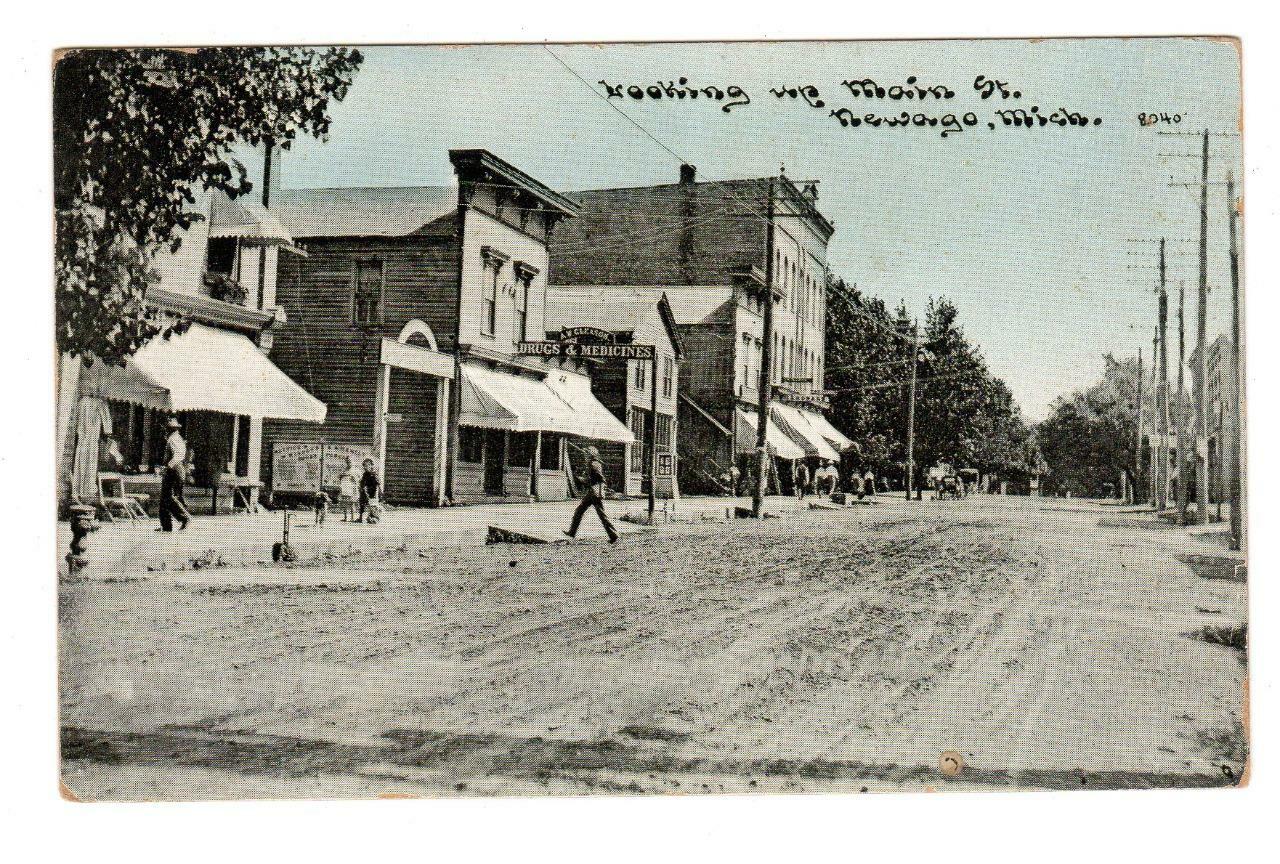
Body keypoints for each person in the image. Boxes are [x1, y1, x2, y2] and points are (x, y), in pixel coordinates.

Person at [564, 445, 619, 543]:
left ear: (591, 454)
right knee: (580, 511)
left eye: (587, 453)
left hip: (595, 493)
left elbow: (599, 479)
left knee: (600, 515)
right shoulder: (592, 463)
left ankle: (614, 535)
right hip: (593, 492)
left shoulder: (593, 464)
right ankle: (572, 533)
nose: (585, 455)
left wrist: (583, 479)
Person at [158, 417, 190, 531]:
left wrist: (168, 467)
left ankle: (183, 517)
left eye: (167, 428)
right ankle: (166, 525)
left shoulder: (174, 439)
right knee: (165, 498)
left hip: (174, 469)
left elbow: (178, 455)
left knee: (167, 497)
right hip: (174, 469)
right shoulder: (174, 438)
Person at [336, 457, 359, 522]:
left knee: (352, 503)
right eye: (347, 462)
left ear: (352, 462)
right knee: (345, 503)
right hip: (345, 488)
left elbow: (359, 478)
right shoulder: (344, 469)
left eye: (350, 461)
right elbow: (339, 477)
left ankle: (352, 518)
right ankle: (345, 517)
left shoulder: (355, 469)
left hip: (351, 488)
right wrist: (341, 476)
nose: (348, 463)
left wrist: (355, 478)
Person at [358, 458, 381, 523]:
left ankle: (375, 517)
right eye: (364, 466)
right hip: (366, 491)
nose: (365, 467)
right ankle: (361, 518)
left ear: (371, 465)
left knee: (373, 506)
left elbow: (378, 485)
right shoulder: (365, 474)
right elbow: (362, 483)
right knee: (362, 502)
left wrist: (376, 495)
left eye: (367, 465)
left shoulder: (374, 474)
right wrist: (361, 488)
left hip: (373, 492)